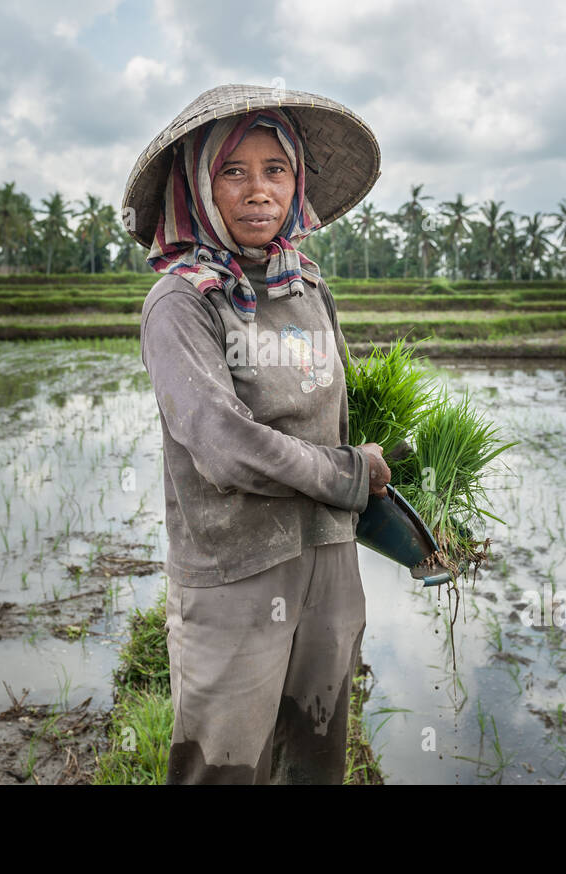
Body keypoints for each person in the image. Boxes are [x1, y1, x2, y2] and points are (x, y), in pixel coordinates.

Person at [120, 84, 389, 784]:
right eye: (233, 171)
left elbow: (335, 413)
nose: (258, 190)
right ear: (199, 189)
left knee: (316, 754)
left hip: (329, 565)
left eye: (276, 170)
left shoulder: (307, 288)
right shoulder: (180, 302)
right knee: (225, 765)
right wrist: (350, 474)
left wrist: (387, 482)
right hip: (235, 572)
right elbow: (222, 444)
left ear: (297, 182)